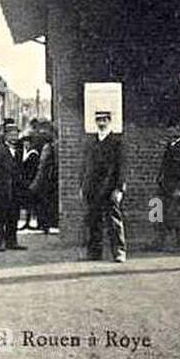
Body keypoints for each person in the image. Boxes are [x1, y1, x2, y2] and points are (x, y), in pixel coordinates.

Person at [80, 110, 125, 262]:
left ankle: (119, 252)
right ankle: (94, 253)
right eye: (98, 120)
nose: (101, 123)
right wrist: (83, 187)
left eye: (104, 120)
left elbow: (121, 167)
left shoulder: (116, 142)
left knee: (113, 222)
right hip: (92, 188)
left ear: (109, 121)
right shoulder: (91, 142)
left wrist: (119, 188)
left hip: (109, 188)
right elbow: (85, 167)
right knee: (93, 221)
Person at [0, 123, 25, 251]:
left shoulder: (18, 150)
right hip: (1, 190)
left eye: (16, 134)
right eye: (11, 135)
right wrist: (0, 180)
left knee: (13, 216)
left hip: (14, 189)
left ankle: (12, 241)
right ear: (6, 136)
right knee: (1, 218)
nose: (14, 137)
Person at [157, 118, 180, 251]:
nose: (170, 130)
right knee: (165, 213)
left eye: (173, 127)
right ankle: (164, 242)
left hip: (179, 188)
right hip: (167, 186)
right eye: (170, 127)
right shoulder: (170, 145)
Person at [29, 137, 58, 235]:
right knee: (46, 204)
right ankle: (45, 224)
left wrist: (34, 184)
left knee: (43, 204)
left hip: (45, 183)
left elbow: (42, 168)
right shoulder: (52, 148)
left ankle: (44, 224)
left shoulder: (46, 150)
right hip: (50, 182)